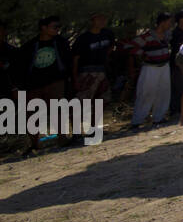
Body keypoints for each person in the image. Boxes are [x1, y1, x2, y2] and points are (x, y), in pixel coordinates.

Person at [15, 15, 75, 153]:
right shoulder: (30, 46)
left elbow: (68, 61)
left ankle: (62, 138)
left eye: (59, 27)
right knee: (31, 114)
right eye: (54, 27)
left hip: (55, 81)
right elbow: (21, 66)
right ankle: (35, 144)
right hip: (33, 84)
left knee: (57, 110)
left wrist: (68, 78)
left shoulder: (61, 42)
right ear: (43, 28)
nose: (57, 30)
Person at [70, 12, 114, 132]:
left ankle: (94, 128)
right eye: (99, 19)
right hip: (87, 71)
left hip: (102, 70)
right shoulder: (84, 38)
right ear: (92, 21)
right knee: (81, 103)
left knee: (101, 100)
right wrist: (75, 78)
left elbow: (110, 48)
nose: (102, 21)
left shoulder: (107, 34)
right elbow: (75, 59)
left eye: (104, 19)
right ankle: (77, 131)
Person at [130, 13, 174, 129]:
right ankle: (137, 120)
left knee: (163, 92)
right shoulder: (147, 36)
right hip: (150, 68)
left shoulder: (166, 35)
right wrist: (143, 56)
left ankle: (158, 117)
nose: (170, 24)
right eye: (169, 22)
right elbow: (132, 47)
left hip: (164, 66)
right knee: (146, 93)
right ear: (163, 22)